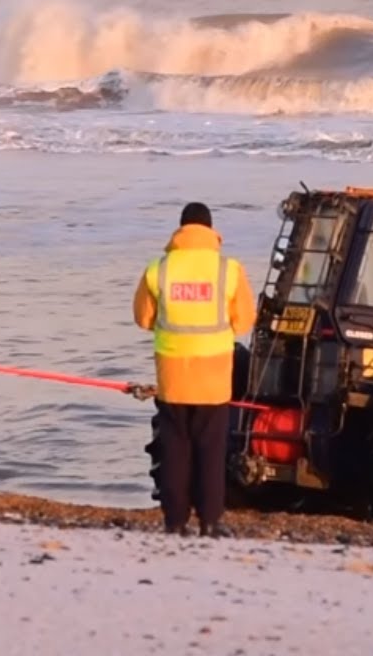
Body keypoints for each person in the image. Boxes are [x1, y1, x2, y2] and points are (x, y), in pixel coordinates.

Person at [133, 202, 255, 537]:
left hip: (172, 376)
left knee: (175, 450)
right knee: (211, 452)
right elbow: (245, 320)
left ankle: (174, 521)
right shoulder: (228, 270)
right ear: (211, 231)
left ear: (181, 230)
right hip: (214, 377)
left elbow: (143, 318)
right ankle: (211, 520)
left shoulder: (159, 269)